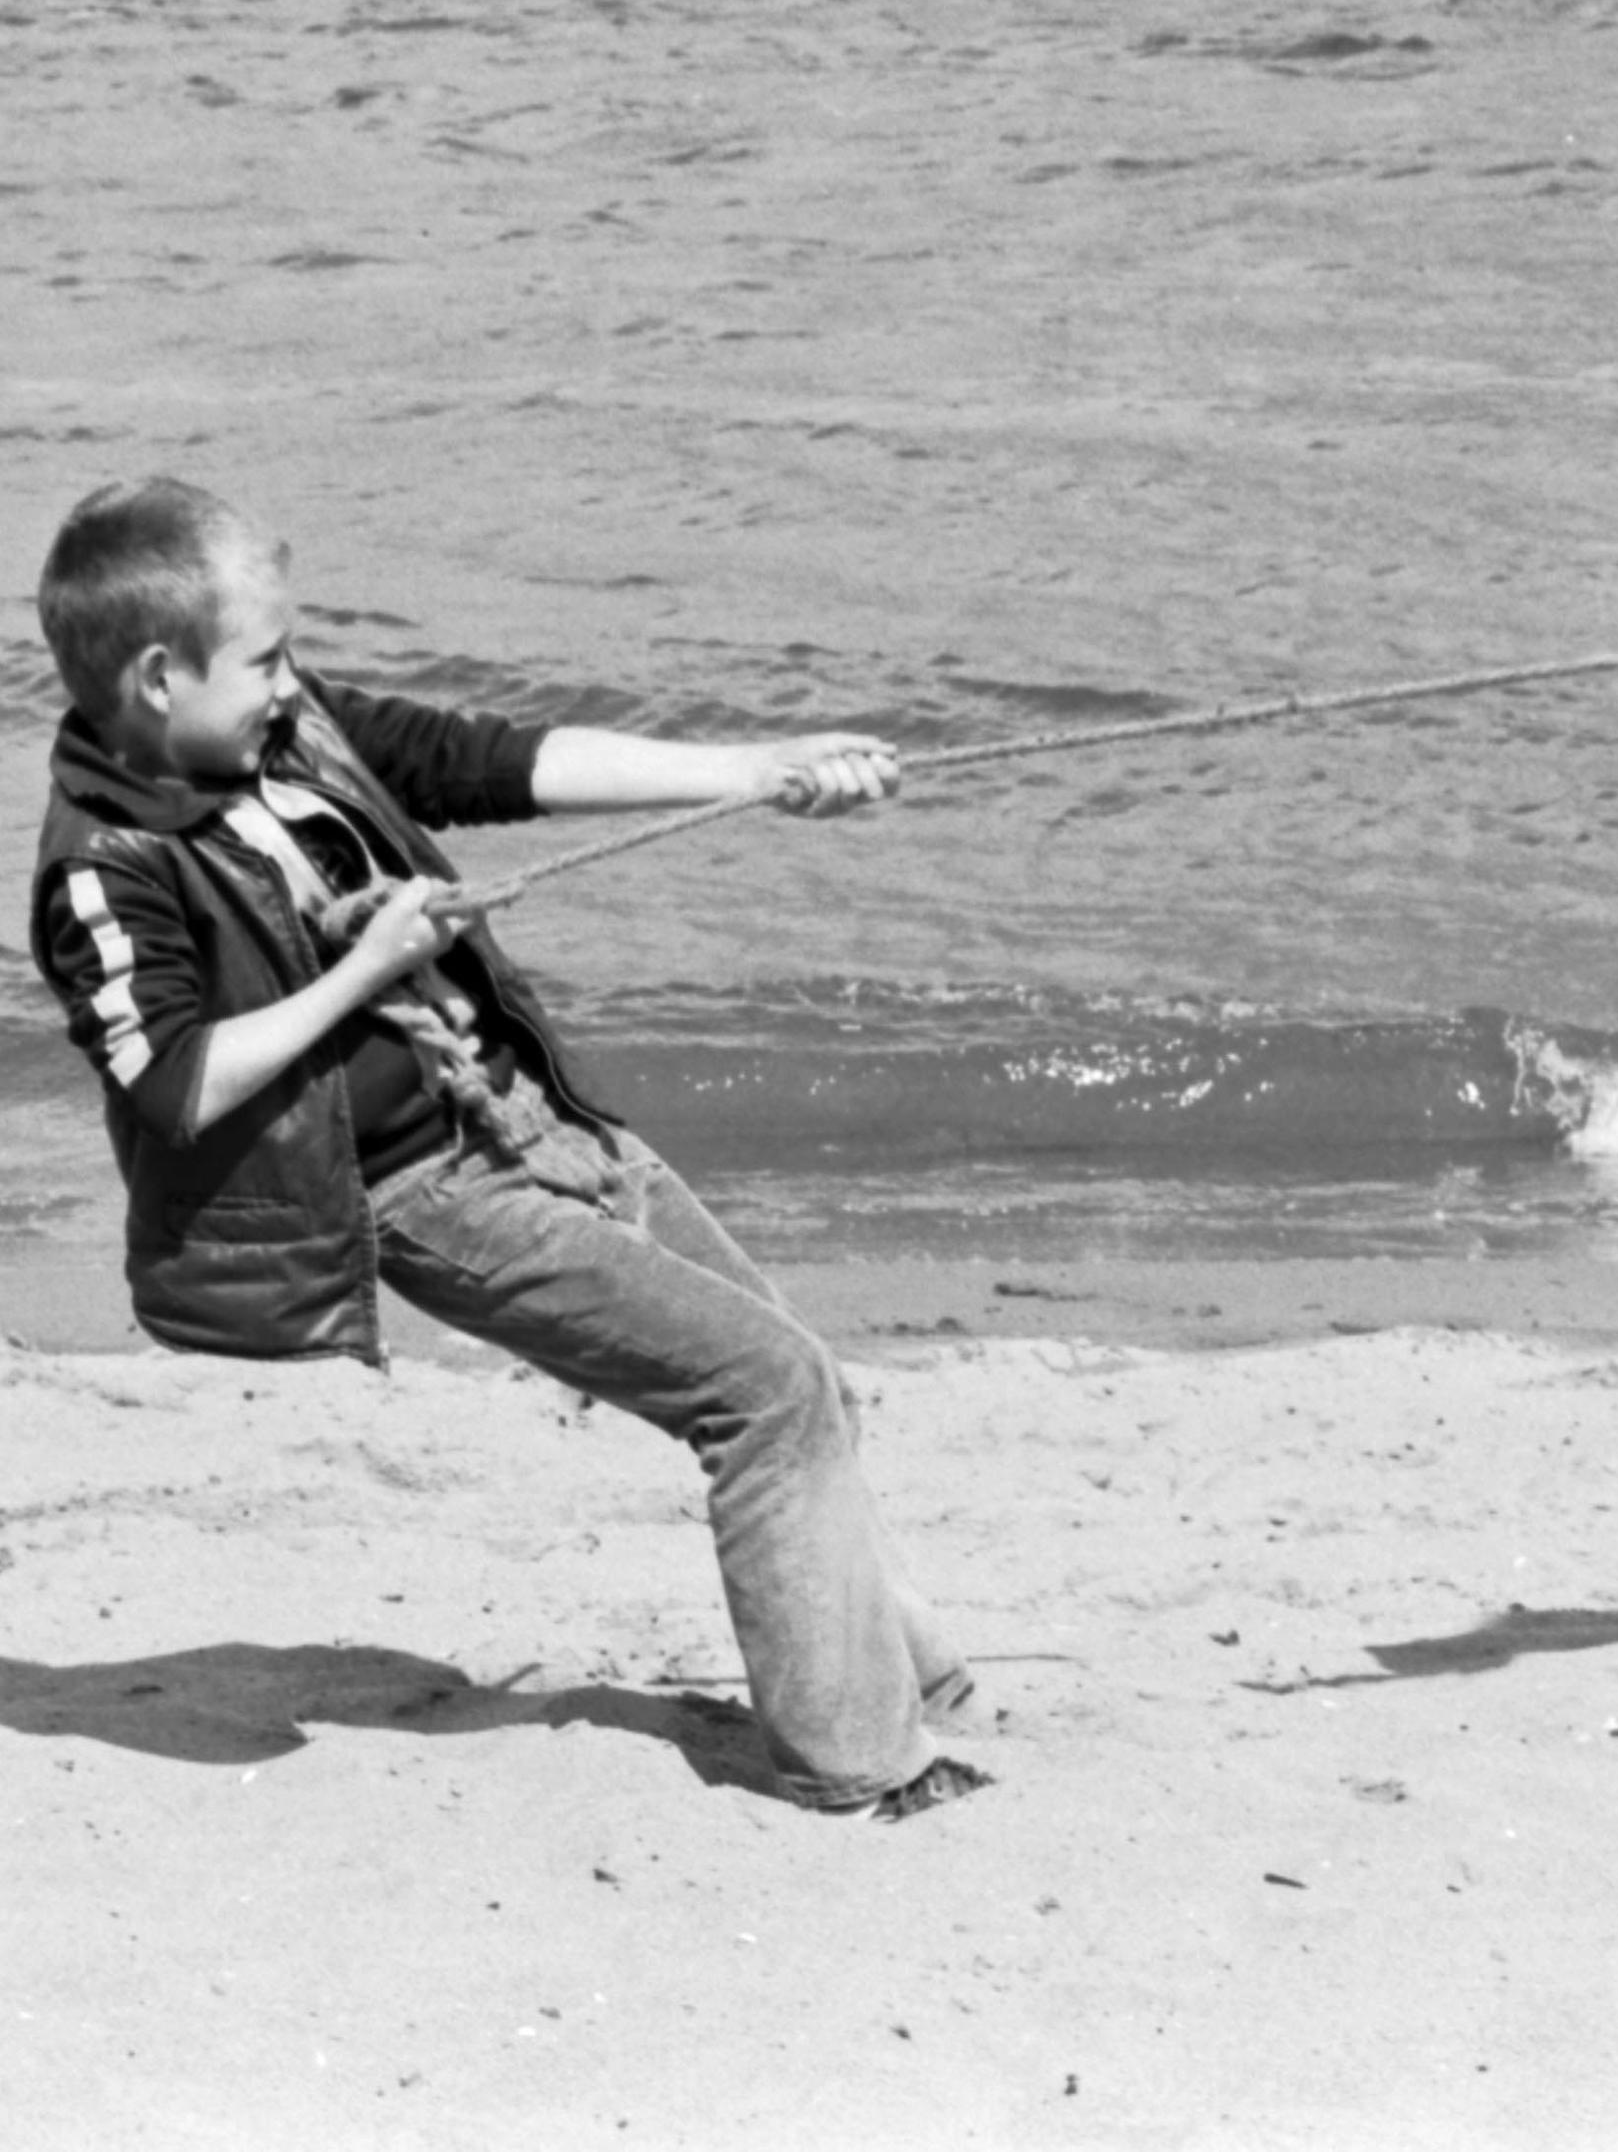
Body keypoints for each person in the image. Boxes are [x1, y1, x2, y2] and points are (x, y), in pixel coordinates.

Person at [27, 476, 989, 1818]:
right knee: (767, 1390)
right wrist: (365, 968)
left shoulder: (288, 732)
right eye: (262, 658)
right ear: (152, 675)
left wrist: (759, 771)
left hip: (529, 1115)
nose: (289, 681)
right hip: (423, 1195)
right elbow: (176, 1084)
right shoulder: (103, 862)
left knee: (793, 1374)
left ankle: (908, 1681)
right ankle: (863, 1760)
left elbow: (494, 758)